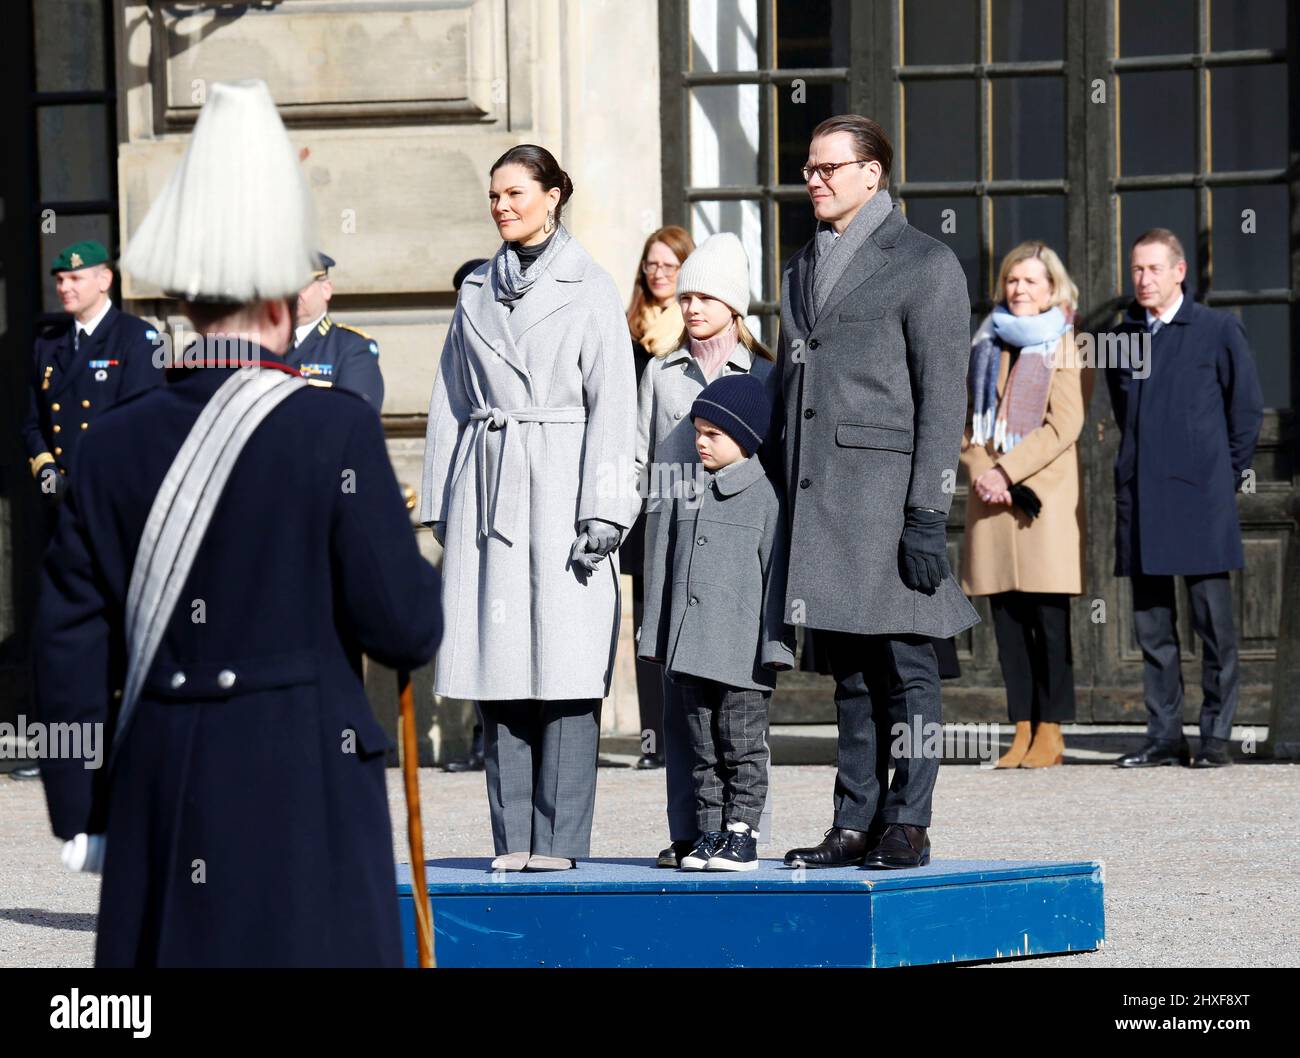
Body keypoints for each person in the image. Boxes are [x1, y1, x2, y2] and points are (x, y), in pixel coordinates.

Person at [33, 80, 443, 967]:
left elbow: (65, 645)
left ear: (184, 303)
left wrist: (80, 807)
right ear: (282, 304)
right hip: (311, 786)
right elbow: (404, 625)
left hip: (160, 785)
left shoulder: (107, 447)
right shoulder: (331, 426)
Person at [419, 144, 637, 872]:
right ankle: (512, 842)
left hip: (564, 486)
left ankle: (562, 845)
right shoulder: (475, 289)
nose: (502, 206)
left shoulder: (592, 286)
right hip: (489, 494)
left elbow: (615, 405)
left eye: (515, 192)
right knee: (498, 668)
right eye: (493, 196)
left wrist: (606, 508)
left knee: (568, 677)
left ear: (552, 196)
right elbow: (451, 401)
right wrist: (446, 505)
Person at [770, 115, 978, 870]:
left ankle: (909, 821)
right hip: (824, 507)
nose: (815, 180)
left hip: (889, 507)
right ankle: (852, 820)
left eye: (830, 168)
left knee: (908, 671)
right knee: (851, 677)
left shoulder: (924, 261)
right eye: (810, 169)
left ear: (873, 175)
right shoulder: (801, 267)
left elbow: (942, 398)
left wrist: (928, 512)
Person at [631, 231, 777, 868]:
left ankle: (736, 829)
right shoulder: (662, 372)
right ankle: (690, 829)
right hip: (673, 533)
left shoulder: (766, 374)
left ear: (735, 306)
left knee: (735, 713)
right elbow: (639, 455)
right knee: (680, 697)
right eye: (685, 295)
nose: (690, 306)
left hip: (739, 541)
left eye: (705, 296)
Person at [1107, 229, 1263, 769]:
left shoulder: (1218, 329)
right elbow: (1122, 410)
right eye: (1136, 270)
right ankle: (1164, 734)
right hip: (1142, 500)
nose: (1143, 280)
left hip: (1201, 500)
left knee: (1212, 626)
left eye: (1153, 269)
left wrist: (1225, 475)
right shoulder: (1123, 335)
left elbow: (1245, 413)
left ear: (1179, 272)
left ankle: (1216, 736)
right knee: (1153, 629)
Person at [14, 240, 164, 782]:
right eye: (59, 279)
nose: (64, 286)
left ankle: (130, 743)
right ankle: (66, 747)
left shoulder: (137, 339)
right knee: (64, 630)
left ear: (105, 280)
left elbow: (144, 423)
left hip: (116, 512)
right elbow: (32, 421)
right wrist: (45, 468)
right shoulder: (48, 343)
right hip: (63, 511)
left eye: (75, 278)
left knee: (121, 626)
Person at [638, 373, 794, 871]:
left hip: (742, 656)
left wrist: (777, 646)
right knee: (702, 749)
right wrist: (656, 636)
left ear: (746, 440)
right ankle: (707, 833)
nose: (700, 442)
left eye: (714, 435)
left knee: (743, 746)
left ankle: (741, 834)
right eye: (698, 431)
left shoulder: (767, 499)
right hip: (690, 652)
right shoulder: (683, 492)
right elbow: (660, 567)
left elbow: (778, 579)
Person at [961, 241, 1092, 769]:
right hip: (992, 502)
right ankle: (1021, 728)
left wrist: (1006, 473)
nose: (1019, 290)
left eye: (1031, 282)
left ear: (1052, 290)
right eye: (1013, 281)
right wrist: (982, 472)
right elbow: (967, 422)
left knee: (1048, 620)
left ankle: (1052, 730)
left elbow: (1066, 425)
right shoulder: (985, 340)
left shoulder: (1066, 344)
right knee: (1008, 623)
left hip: (1044, 501)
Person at [623, 225, 695, 771]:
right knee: (647, 614)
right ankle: (654, 737)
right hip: (645, 489)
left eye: (670, 264)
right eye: (652, 264)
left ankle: (689, 729)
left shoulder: (696, 332)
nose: (660, 273)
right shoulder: (626, 330)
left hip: (690, 487)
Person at [442, 257, 491, 776]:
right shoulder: (457, 343)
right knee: (473, 625)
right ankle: (480, 734)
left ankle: (495, 737)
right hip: (469, 495)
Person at [286, 251, 385, 408]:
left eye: (302, 285)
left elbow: (356, 418)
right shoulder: (258, 344)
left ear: (326, 289)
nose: (293, 294)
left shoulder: (353, 347)